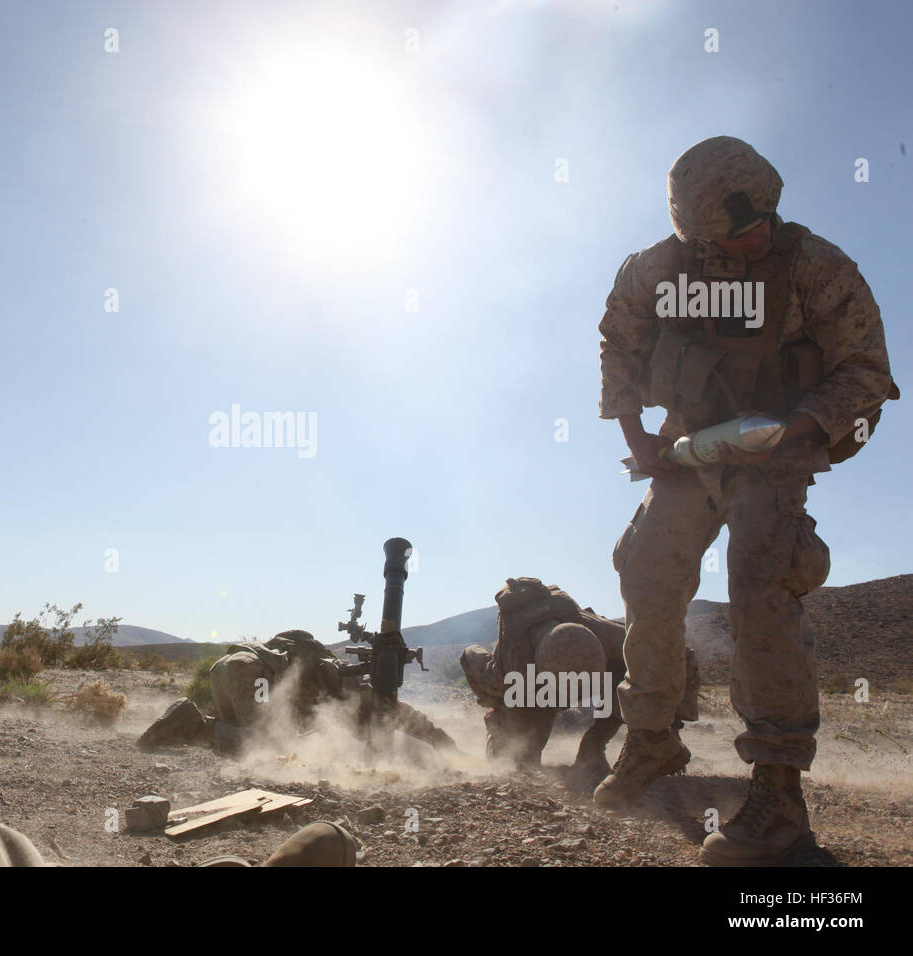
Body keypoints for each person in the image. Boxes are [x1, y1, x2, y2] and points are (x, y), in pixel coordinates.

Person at [595, 136, 895, 865]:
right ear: (696, 236)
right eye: (738, 232)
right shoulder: (656, 270)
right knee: (646, 572)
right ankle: (652, 741)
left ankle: (778, 793)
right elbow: (620, 343)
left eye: (764, 218)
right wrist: (639, 438)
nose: (759, 234)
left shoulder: (817, 268)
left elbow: (866, 373)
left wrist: (795, 428)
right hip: (690, 446)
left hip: (776, 450)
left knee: (761, 585)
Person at [460, 577, 698, 790]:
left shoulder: (610, 637)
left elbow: (679, 657)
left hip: (595, 676)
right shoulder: (512, 666)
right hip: (535, 691)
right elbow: (474, 661)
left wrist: (669, 726)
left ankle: (593, 748)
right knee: (516, 761)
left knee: (630, 683)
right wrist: (499, 715)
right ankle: (504, 729)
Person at [139, 629, 455, 752]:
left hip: (229, 665)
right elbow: (400, 714)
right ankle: (193, 722)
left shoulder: (320, 667)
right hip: (253, 673)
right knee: (260, 745)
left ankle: (183, 724)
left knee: (237, 737)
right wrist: (443, 743)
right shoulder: (351, 686)